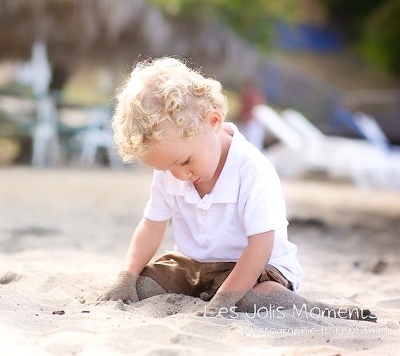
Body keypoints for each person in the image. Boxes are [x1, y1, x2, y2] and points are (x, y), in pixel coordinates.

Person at [98, 57, 374, 322]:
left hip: (257, 267)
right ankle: (209, 290)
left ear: (213, 122)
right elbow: (152, 225)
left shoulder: (252, 169)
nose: (179, 175)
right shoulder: (171, 167)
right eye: (168, 168)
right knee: (144, 287)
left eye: (184, 162)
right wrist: (127, 277)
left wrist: (224, 300)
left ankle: (310, 308)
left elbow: (261, 245)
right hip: (195, 264)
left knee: (249, 299)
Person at [236, 78, 265, 150]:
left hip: (250, 123)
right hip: (254, 122)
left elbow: (247, 111)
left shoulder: (250, 97)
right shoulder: (255, 95)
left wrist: (240, 120)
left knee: (251, 143)